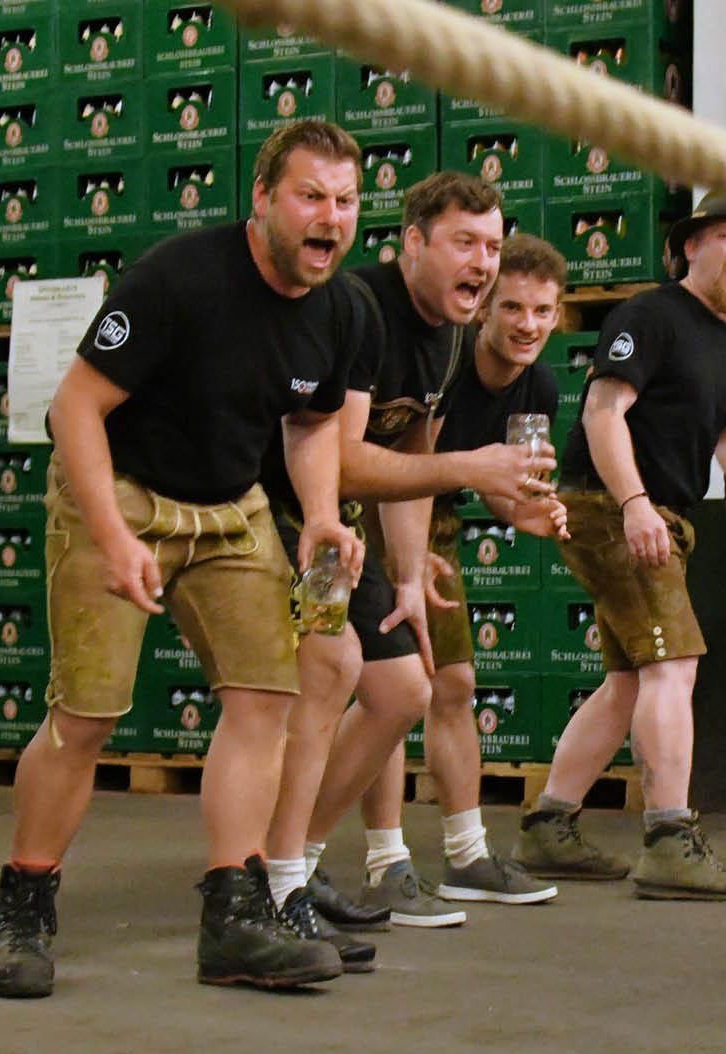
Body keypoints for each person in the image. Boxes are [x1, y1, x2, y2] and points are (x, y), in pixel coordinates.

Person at [0, 119, 367, 996]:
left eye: (347, 203)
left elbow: (310, 423)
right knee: (87, 717)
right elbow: (75, 408)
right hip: (118, 491)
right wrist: (115, 539)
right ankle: (26, 903)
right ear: (264, 199)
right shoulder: (177, 279)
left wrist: (316, 514)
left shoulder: (344, 309)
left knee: (266, 698)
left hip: (231, 509)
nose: (332, 219)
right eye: (312, 196)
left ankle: (232, 915)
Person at [261, 171, 556, 936]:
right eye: (465, 243)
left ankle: (290, 863)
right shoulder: (360, 308)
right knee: (326, 683)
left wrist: (411, 568)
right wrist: (469, 467)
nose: (484, 263)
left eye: (492, 246)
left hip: (345, 531)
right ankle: (278, 877)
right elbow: (345, 459)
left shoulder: (454, 334)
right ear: (413, 243)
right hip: (281, 515)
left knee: (402, 693)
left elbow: (412, 440)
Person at [514, 193, 726, 901]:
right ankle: (670, 839)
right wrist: (635, 506)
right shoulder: (651, 315)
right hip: (610, 505)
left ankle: (548, 826)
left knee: (631, 679)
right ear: (689, 250)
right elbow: (604, 411)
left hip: (660, 510)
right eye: (725, 235)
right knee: (676, 663)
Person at [352, 232, 574, 914]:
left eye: (542, 311)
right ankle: (385, 860)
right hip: (374, 511)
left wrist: (527, 513)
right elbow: (401, 464)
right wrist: (407, 561)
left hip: (435, 525)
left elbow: (500, 489)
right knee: (392, 689)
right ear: (484, 310)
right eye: (512, 308)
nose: (527, 324)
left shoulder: (538, 387)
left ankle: (467, 854)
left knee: (454, 683)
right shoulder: (444, 364)